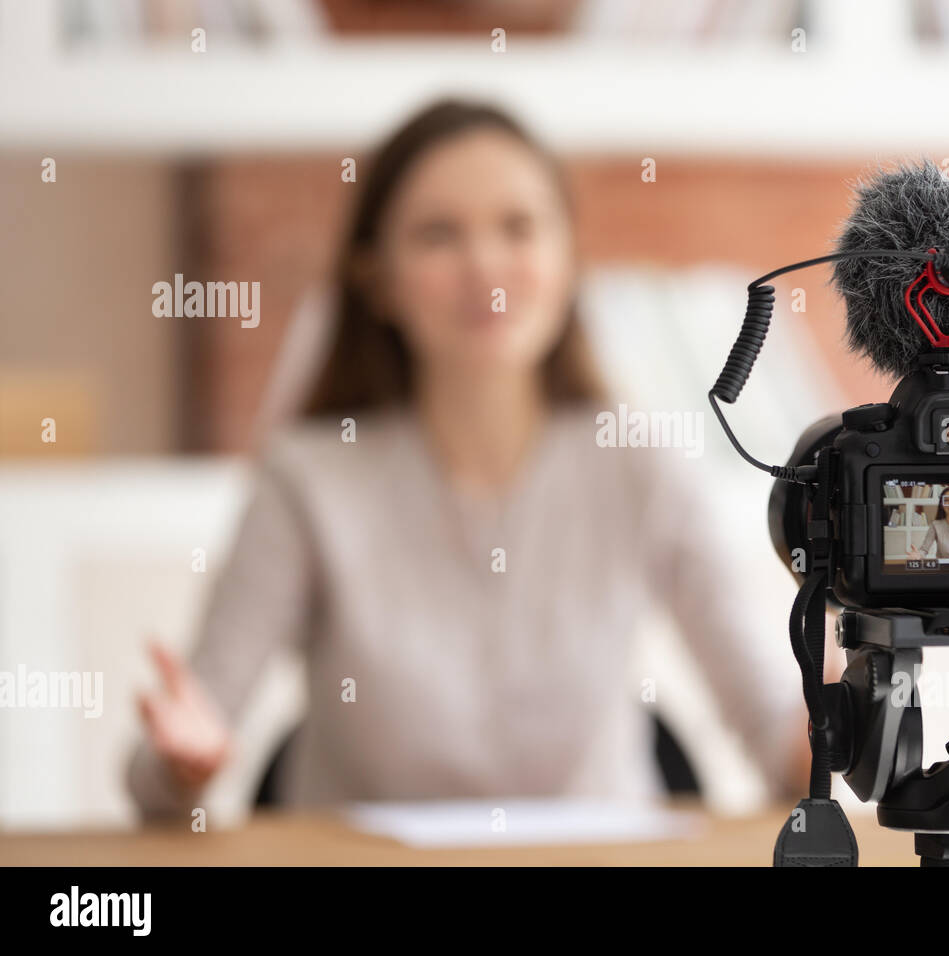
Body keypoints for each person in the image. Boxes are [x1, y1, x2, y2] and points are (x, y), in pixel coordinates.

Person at [127, 99, 810, 817]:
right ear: (376, 278)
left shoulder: (642, 465)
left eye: (518, 227)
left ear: (568, 257)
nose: (484, 266)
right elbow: (157, 780)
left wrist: (833, 719)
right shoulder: (307, 478)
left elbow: (779, 747)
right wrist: (181, 770)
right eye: (437, 234)